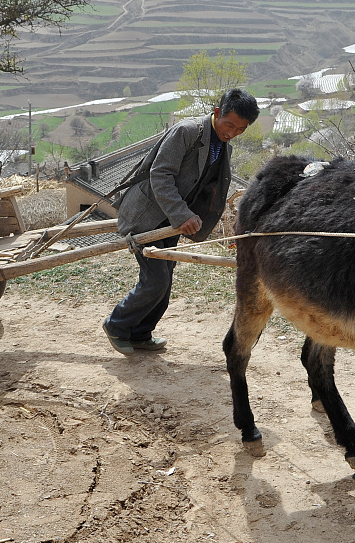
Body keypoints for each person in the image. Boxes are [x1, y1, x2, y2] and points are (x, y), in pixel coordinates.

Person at [103, 88, 260, 355]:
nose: (232, 132)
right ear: (217, 112)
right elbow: (160, 174)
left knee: (166, 279)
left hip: (170, 222)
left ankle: (141, 333)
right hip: (147, 215)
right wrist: (182, 214)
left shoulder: (222, 146)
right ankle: (117, 325)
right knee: (156, 281)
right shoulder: (187, 131)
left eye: (240, 129)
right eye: (229, 124)